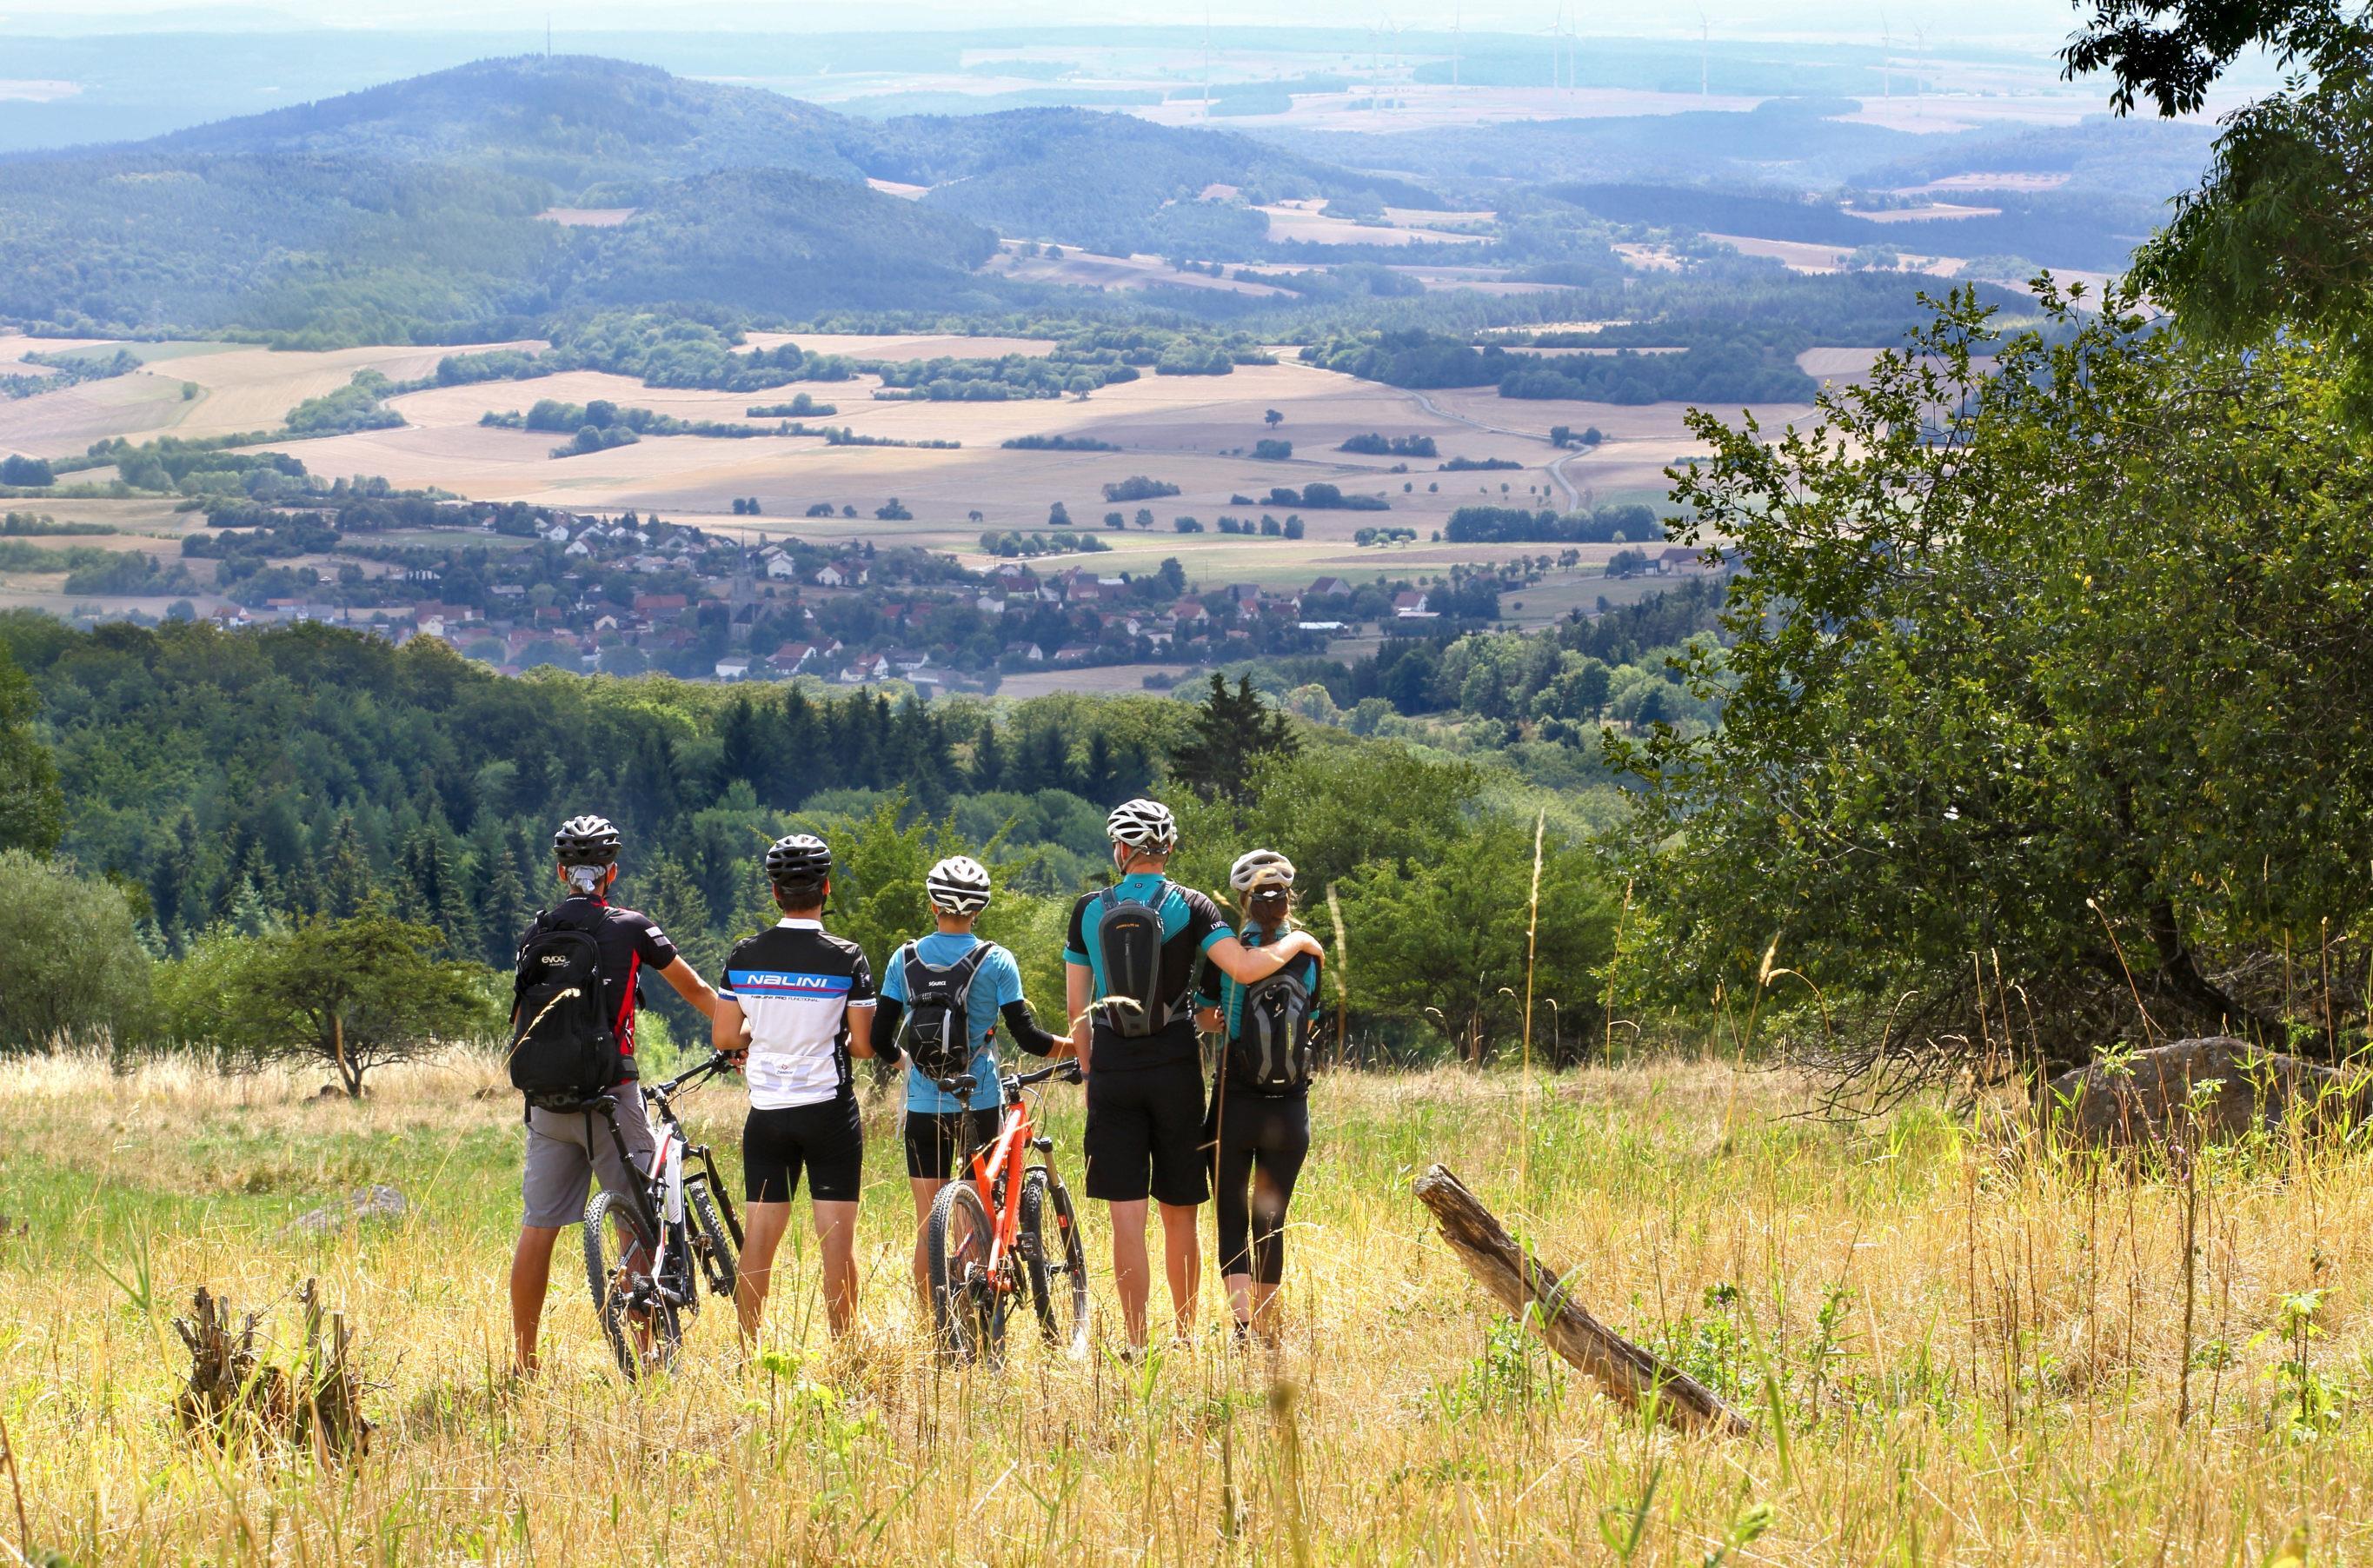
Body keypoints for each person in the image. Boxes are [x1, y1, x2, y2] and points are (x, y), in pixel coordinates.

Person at [1064, 798, 1326, 1353]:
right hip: (1175, 1071)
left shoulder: (1088, 909)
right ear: (1168, 848)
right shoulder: (1194, 905)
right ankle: (1183, 1338)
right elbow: (1245, 968)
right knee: (1179, 1213)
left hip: (1113, 1069)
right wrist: (1300, 942)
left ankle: (1137, 1343)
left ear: (1122, 850)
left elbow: (1076, 1009)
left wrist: (1089, 1074)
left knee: (1126, 1220)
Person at [508, 814, 720, 1377]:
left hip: (547, 1104)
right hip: (612, 1098)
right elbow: (697, 989)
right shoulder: (630, 927)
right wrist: (739, 1034)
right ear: (613, 872)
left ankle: (524, 1364)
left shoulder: (536, 934)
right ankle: (648, 1356)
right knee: (636, 1221)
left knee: (538, 1229)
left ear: (562, 873)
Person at [712, 833, 883, 1345]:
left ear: (774, 893)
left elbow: (725, 1036)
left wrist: (756, 1032)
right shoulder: (846, 957)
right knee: (837, 1245)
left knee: (759, 1241)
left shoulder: (744, 954)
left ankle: (746, 1352)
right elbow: (863, 1046)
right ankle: (845, 1353)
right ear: (826, 889)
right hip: (828, 1110)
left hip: (767, 1111)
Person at [874, 854, 1067, 1304]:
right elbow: (1030, 1038)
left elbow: (879, 1039)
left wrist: (910, 1066)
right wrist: (1078, 1046)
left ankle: (934, 1327)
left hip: (923, 1107)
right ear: (979, 909)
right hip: (977, 1103)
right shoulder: (997, 960)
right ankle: (976, 1322)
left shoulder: (903, 959)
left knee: (930, 1225)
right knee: (974, 1220)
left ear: (932, 905)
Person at [1198, 849, 1320, 1348]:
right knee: (1270, 1220)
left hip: (1235, 1101)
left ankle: (1243, 1329)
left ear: (1244, 902)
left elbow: (1204, 1016)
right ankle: (1269, 1331)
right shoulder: (1309, 955)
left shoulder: (1226, 954)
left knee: (1231, 1216)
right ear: (1290, 900)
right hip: (1289, 1107)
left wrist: (1223, 1020)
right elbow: (1310, 1021)